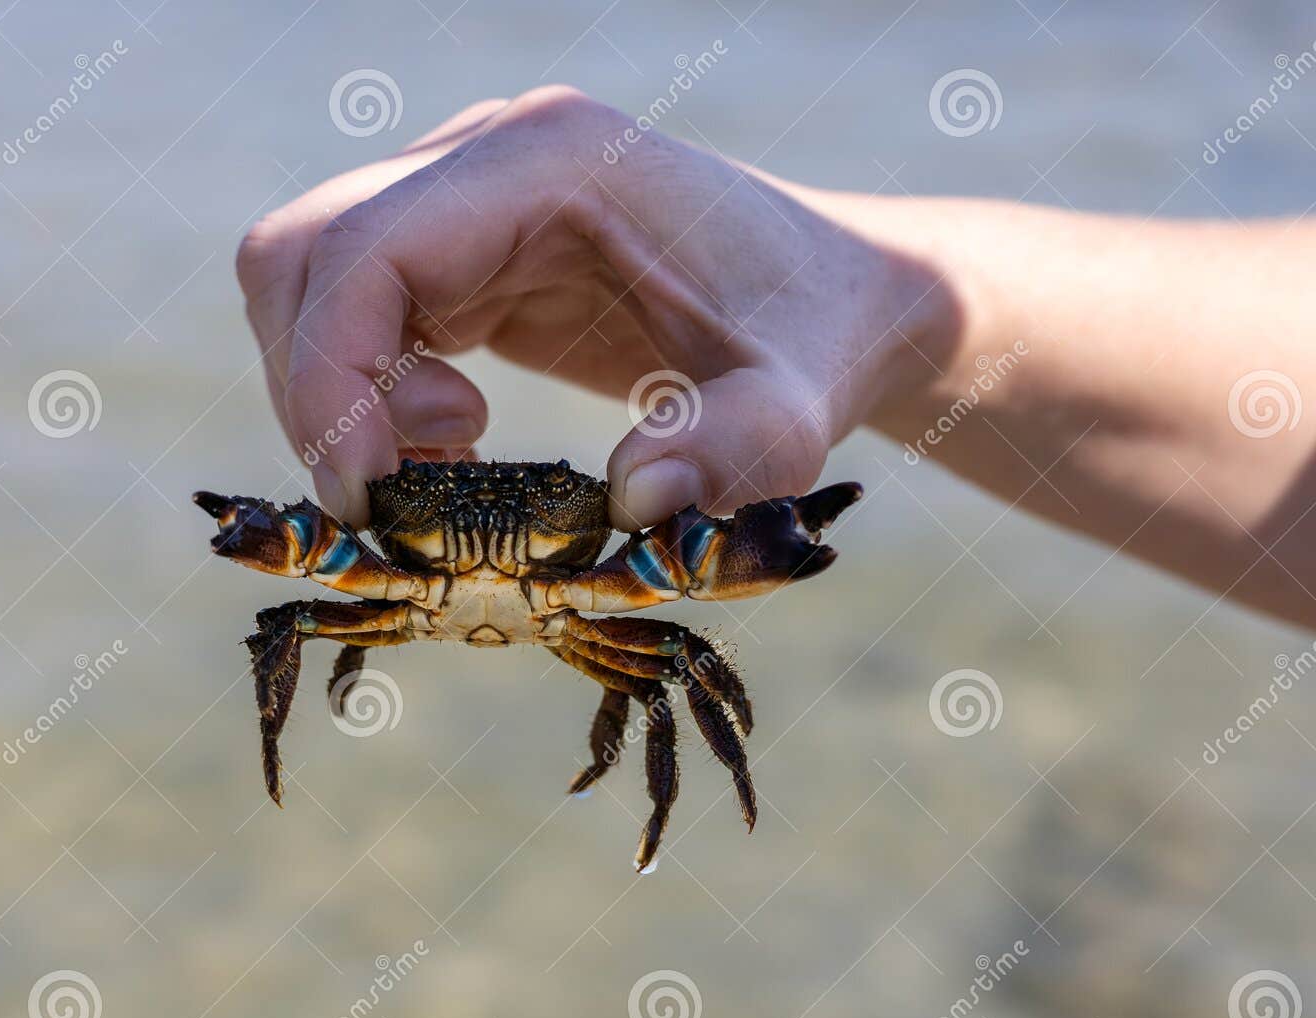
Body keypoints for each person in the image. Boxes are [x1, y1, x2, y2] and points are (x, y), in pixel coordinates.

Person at [235, 87, 1316, 629]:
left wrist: (898, 310)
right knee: (293, 622)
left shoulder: (616, 575)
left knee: (677, 670)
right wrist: (892, 305)